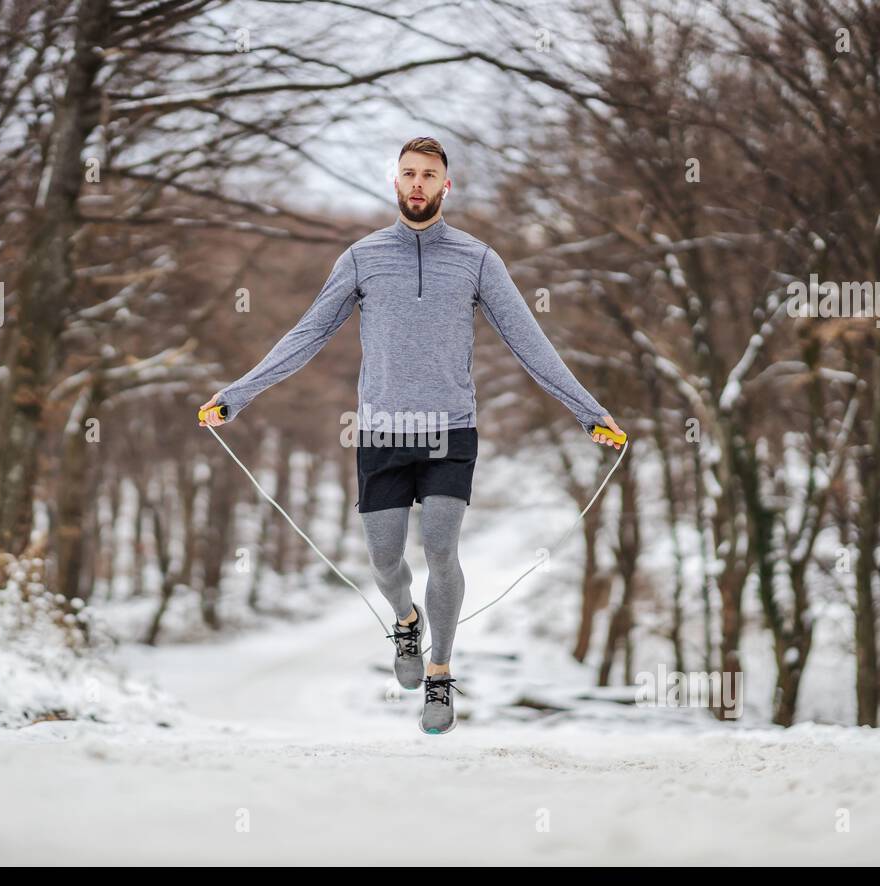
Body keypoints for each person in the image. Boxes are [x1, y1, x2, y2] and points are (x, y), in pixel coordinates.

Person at [199, 136, 624, 734]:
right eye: (408, 174)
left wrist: (589, 412)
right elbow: (307, 335)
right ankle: (406, 623)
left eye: (429, 174)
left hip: (452, 428)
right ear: (395, 184)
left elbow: (530, 344)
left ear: (446, 186)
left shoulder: (478, 260)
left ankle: (441, 673)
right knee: (383, 559)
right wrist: (234, 396)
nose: (418, 183)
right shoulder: (361, 258)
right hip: (381, 431)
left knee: (442, 550)